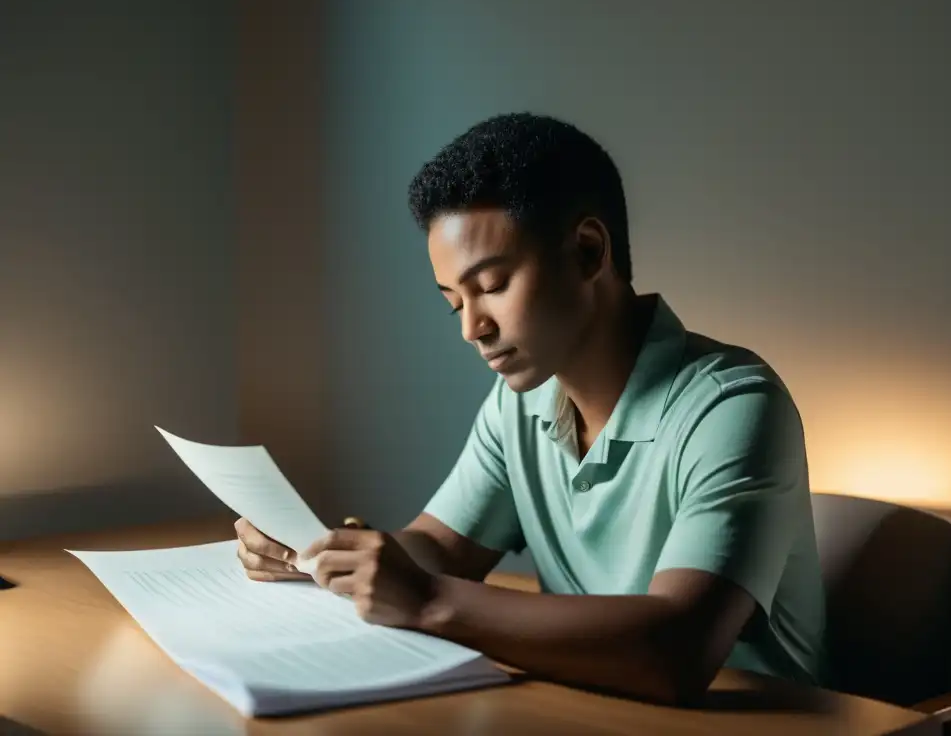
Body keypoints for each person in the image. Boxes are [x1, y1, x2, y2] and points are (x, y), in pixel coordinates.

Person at [234, 112, 825, 705]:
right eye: (454, 302)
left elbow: (678, 650)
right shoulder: (519, 404)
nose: (472, 328)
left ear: (588, 251)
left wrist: (428, 600)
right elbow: (440, 550)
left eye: (492, 285)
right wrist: (328, 553)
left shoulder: (732, 407)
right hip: (588, 709)